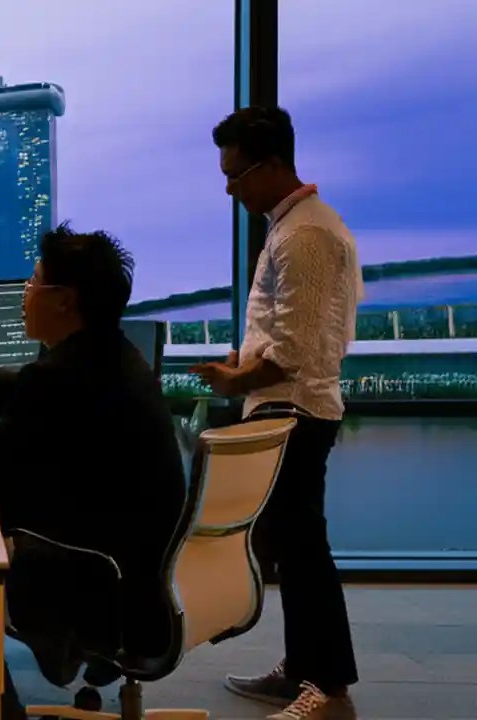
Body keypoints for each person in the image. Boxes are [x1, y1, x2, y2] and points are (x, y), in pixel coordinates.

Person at [0, 223, 186, 720]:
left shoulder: (60, 377)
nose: (24, 294)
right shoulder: (111, 357)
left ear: (64, 301)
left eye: (33, 281)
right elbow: (22, 392)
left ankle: (2, 712)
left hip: (98, 583)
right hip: (141, 576)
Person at [193, 106, 362, 720]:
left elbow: (293, 352)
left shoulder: (306, 234)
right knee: (292, 549)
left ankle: (327, 686)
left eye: (235, 174)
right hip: (282, 409)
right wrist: (244, 363)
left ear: (270, 165)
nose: (229, 187)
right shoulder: (289, 227)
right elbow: (288, 333)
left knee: (304, 549)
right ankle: (302, 668)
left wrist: (235, 377)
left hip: (296, 412)